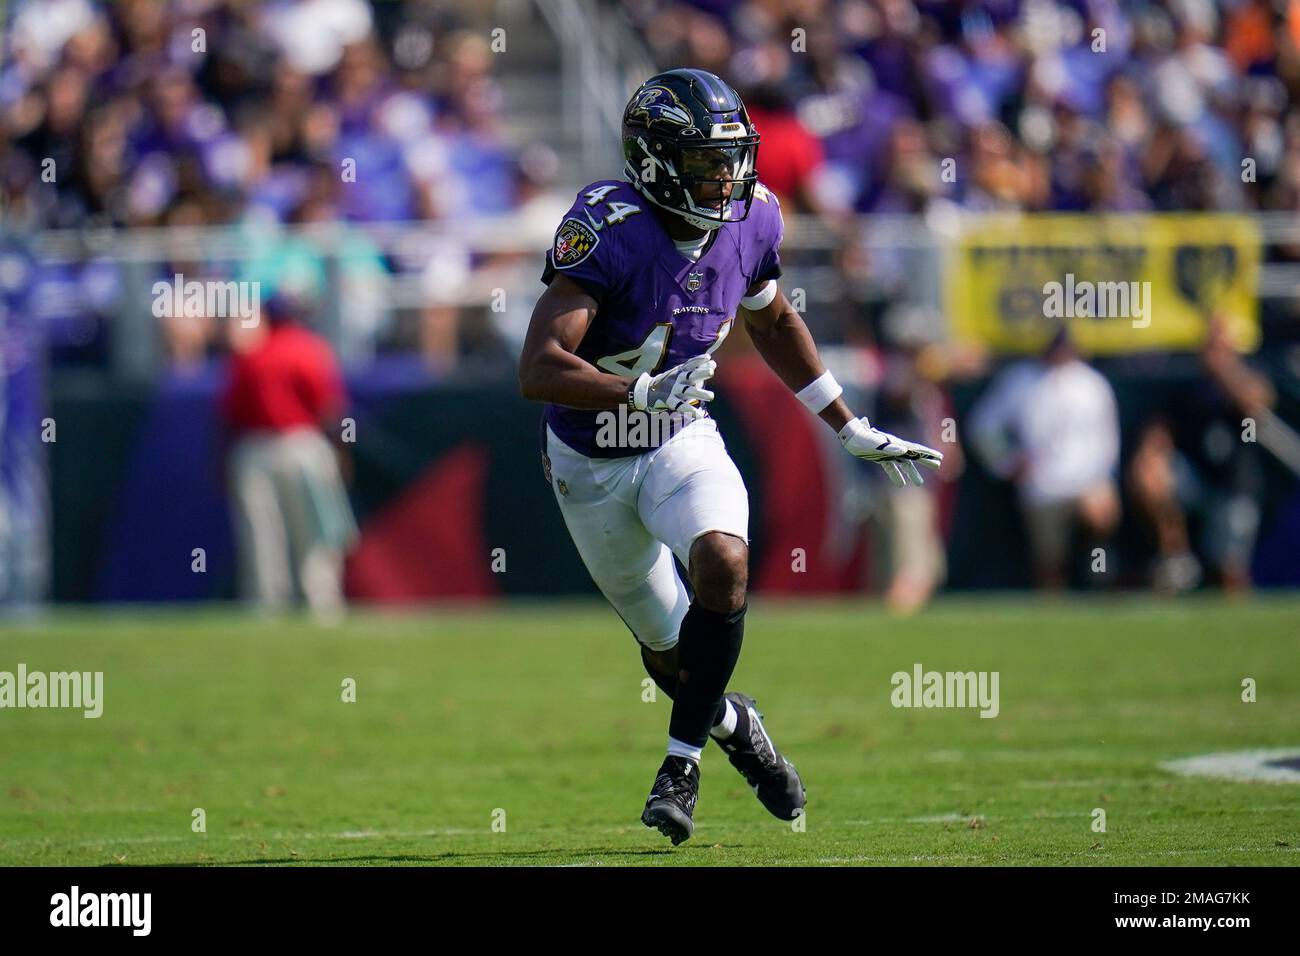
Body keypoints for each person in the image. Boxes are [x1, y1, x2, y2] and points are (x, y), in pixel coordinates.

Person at [517, 69, 942, 846]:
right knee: (669, 654)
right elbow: (538, 366)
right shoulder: (608, 227)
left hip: (680, 439)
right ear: (654, 163)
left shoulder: (755, 219)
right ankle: (735, 725)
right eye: (708, 163)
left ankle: (680, 766)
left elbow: (774, 320)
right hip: (591, 459)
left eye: (733, 159)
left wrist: (846, 423)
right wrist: (636, 394)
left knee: (722, 559)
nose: (729, 178)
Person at [219, 294, 357, 618]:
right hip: (303, 447)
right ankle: (323, 606)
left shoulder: (250, 354)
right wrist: (341, 451)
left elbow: (226, 418)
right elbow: (332, 411)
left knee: (263, 536)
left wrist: (220, 461)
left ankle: (267, 607)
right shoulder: (309, 350)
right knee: (315, 532)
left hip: (256, 451)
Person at [968, 327, 1120, 590]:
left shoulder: (1092, 384)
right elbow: (982, 426)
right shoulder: (1019, 380)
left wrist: (1101, 481)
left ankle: (1100, 578)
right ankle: (1053, 605)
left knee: (1099, 522)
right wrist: (1007, 462)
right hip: (1042, 488)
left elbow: (1107, 442)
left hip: (1087, 484)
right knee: (1049, 560)